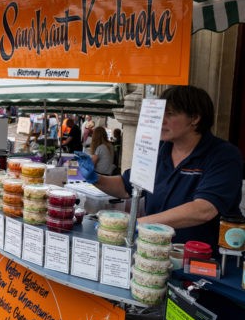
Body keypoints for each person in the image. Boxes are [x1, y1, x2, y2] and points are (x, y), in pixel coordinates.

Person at [76, 85, 243, 248]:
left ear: (195, 118)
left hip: (205, 260)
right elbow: (127, 186)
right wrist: (95, 178)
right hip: (155, 252)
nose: (161, 120)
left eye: (169, 114)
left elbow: (203, 209)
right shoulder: (159, 150)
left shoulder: (223, 155)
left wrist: (136, 224)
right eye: (160, 113)